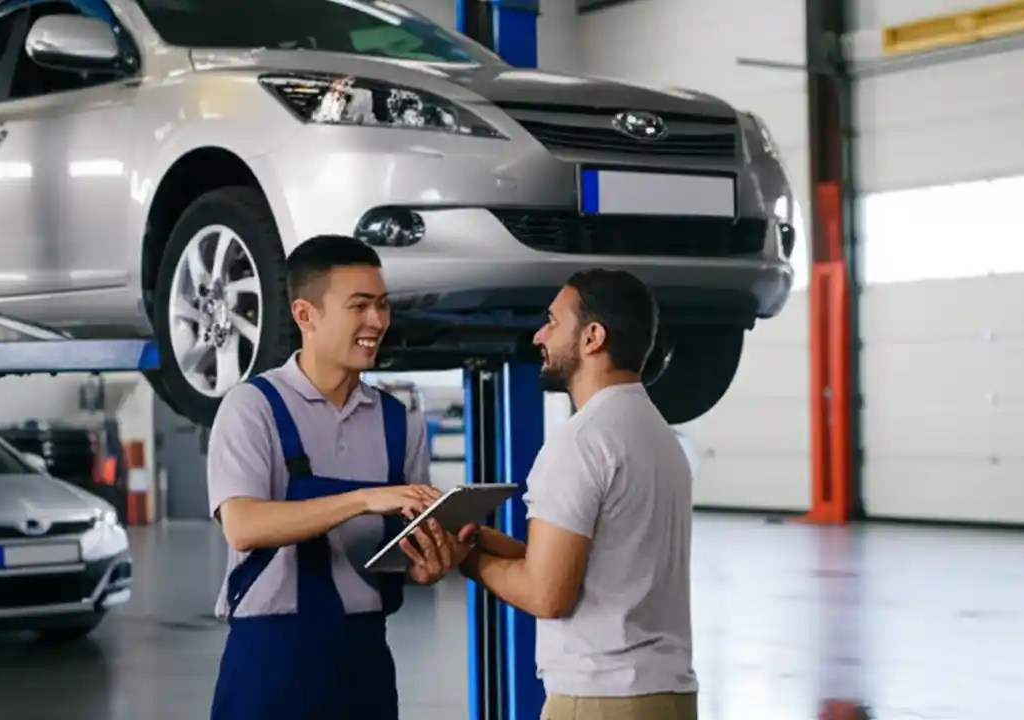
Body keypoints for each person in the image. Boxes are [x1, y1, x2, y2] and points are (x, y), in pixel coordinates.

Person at [205, 234, 466, 720]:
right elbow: (242, 526)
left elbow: (402, 549)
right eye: (359, 306)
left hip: (364, 658)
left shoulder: (397, 420)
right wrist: (362, 499)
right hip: (271, 661)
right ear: (306, 315)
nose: (377, 321)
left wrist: (424, 568)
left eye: (382, 305)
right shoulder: (253, 407)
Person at [457, 269, 699, 720]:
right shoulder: (658, 435)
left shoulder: (581, 443)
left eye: (552, 321)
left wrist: (467, 560)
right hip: (667, 695)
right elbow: (607, 567)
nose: (539, 335)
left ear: (592, 337)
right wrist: (502, 550)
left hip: (601, 699)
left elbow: (547, 595)